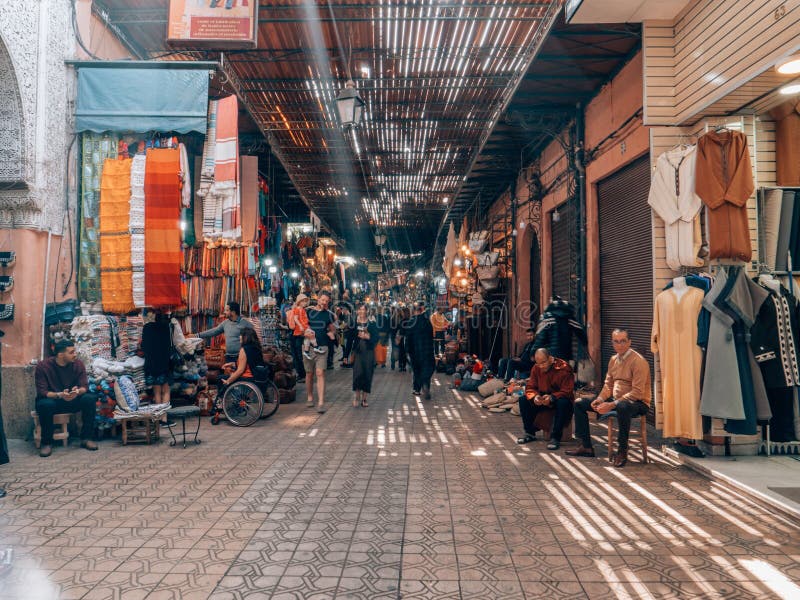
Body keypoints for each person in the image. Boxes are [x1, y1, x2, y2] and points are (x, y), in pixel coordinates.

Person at [566, 328, 651, 467]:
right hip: (617, 400)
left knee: (623, 407)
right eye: (616, 342)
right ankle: (586, 446)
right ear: (612, 343)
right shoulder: (613, 360)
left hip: (638, 403)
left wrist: (612, 405)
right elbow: (608, 386)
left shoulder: (638, 361)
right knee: (579, 403)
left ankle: (622, 450)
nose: (620, 345)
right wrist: (599, 400)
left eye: (623, 341)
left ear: (629, 342)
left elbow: (637, 392)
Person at [34, 340, 99, 458]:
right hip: (54, 401)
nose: (75, 354)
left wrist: (77, 392)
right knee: (44, 404)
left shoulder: (78, 364)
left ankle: (86, 438)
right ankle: (47, 443)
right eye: (71, 352)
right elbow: (42, 392)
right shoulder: (43, 366)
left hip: (72, 400)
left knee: (89, 399)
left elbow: (84, 386)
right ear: (60, 355)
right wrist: (59, 394)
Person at [517, 348, 575, 450]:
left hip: (559, 399)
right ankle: (530, 433)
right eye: (538, 364)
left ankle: (555, 437)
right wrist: (535, 397)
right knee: (523, 400)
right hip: (543, 400)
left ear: (551, 359)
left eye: (543, 363)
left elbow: (567, 391)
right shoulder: (536, 367)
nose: (541, 366)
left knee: (563, 403)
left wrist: (552, 397)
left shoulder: (564, 368)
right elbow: (530, 387)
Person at [304, 291, 337, 413]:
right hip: (308, 346)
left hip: (322, 346)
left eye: (326, 301)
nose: (324, 303)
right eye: (322, 300)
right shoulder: (309, 311)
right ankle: (310, 396)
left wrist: (332, 333)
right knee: (309, 373)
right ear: (318, 299)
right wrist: (305, 332)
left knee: (320, 372)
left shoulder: (329, 315)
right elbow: (302, 326)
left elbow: (333, 329)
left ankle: (321, 402)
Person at [533, 297, 587, 362]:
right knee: (564, 370)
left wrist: (533, 351)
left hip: (550, 355)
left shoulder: (546, 317)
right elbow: (579, 331)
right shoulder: (569, 316)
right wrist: (584, 342)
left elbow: (540, 337)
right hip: (566, 354)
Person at [405, 302, 435, 400]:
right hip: (427, 350)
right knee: (426, 368)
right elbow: (431, 336)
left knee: (416, 370)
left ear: (413, 311)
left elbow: (408, 338)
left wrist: (407, 350)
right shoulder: (427, 322)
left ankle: (417, 389)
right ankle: (425, 385)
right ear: (421, 310)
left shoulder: (411, 322)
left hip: (415, 351)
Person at [141, 311, 172, 405]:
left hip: (151, 363)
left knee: (157, 391)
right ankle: (164, 417)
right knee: (166, 390)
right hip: (165, 363)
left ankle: (159, 417)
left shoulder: (147, 327)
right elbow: (169, 346)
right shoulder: (167, 328)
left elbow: (143, 346)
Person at [351, 303, 379, 407]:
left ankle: (364, 399)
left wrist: (368, 337)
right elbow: (350, 338)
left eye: (364, 309)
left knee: (367, 374)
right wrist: (346, 355)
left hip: (369, 352)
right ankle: (357, 397)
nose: (362, 311)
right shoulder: (354, 323)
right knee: (357, 374)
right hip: (358, 352)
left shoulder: (371, 323)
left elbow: (376, 338)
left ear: (366, 311)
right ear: (357, 311)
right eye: (360, 310)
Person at [286, 294, 309, 382]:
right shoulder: (297, 309)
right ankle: (301, 374)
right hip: (296, 334)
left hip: (297, 334)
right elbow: (296, 320)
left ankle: (301, 374)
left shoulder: (300, 310)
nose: (305, 302)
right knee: (297, 355)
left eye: (305, 301)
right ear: (299, 302)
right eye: (303, 301)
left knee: (297, 355)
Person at [390, 307, 408, 372]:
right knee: (400, 351)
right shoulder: (401, 319)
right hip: (399, 337)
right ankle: (401, 365)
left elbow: (391, 329)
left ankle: (394, 364)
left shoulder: (393, 319)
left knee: (395, 350)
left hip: (396, 336)